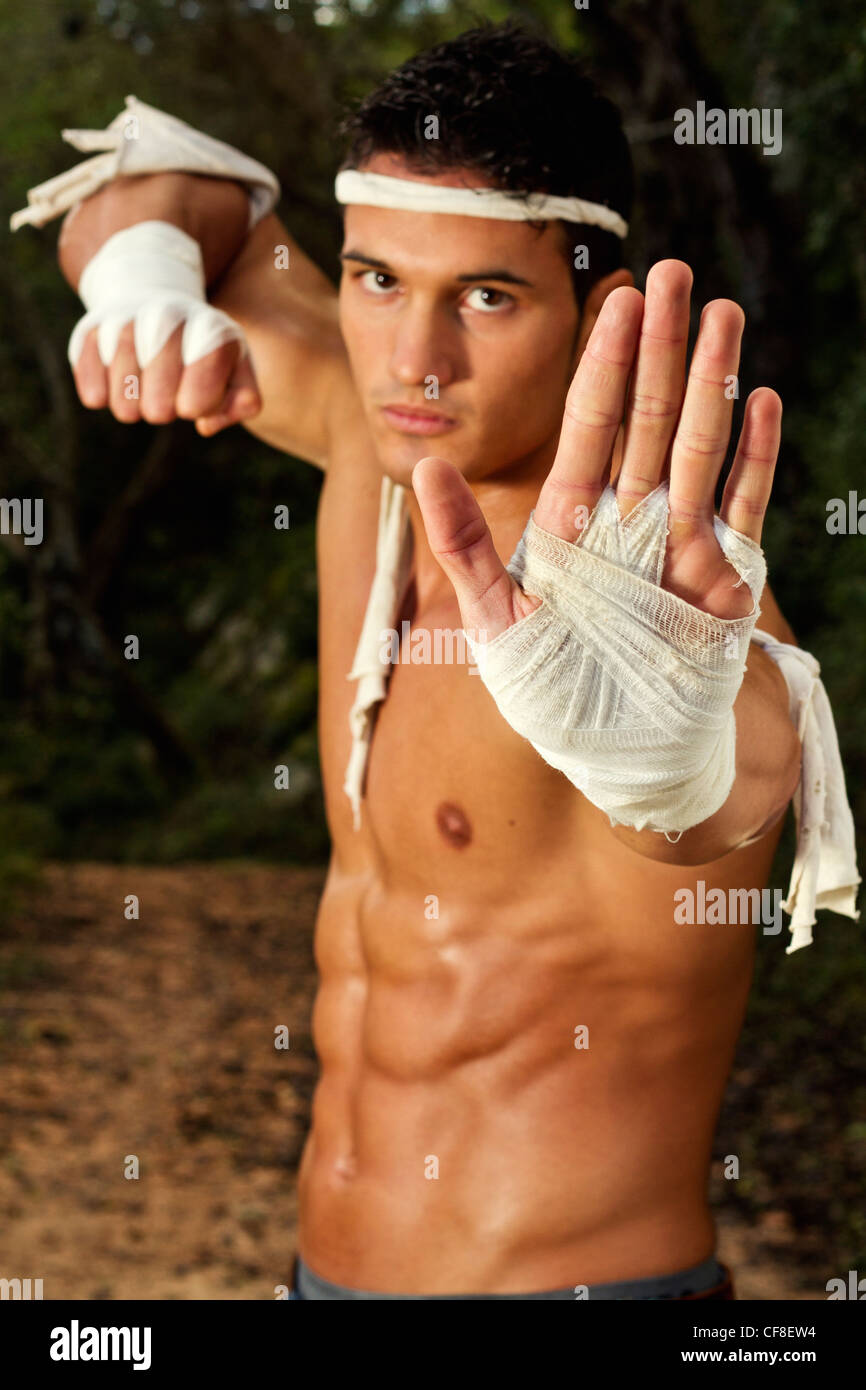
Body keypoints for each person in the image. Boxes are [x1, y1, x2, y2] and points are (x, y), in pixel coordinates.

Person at [20, 20, 858, 1299]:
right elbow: (154, 175)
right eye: (372, 278)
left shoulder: (660, 618)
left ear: (596, 309)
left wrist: (674, 765)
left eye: (486, 296)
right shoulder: (378, 441)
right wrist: (144, 283)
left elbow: (723, 791)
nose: (414, 359)